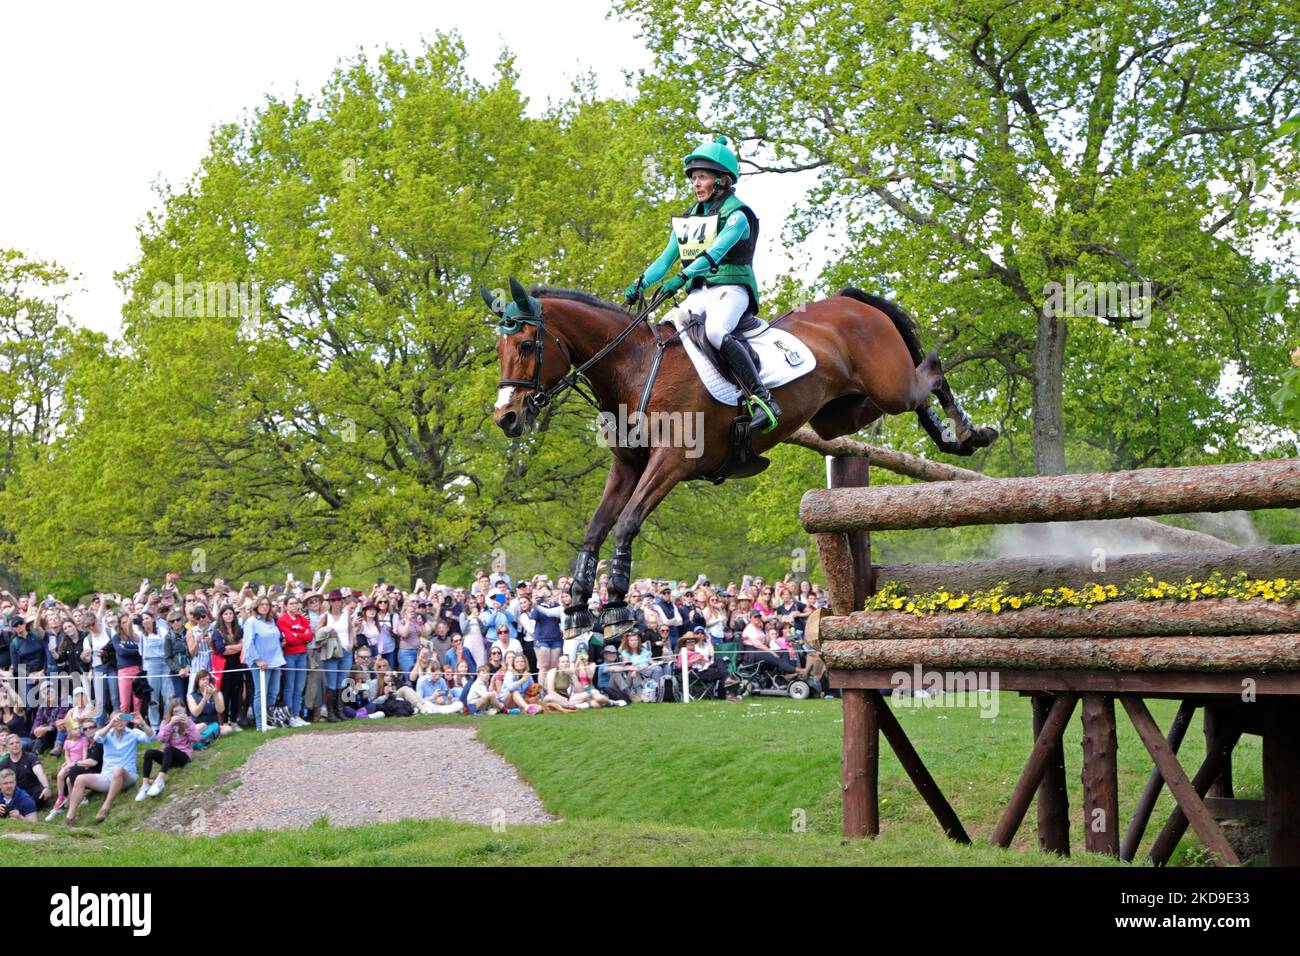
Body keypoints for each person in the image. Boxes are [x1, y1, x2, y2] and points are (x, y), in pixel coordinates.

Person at [623, 135, 776, 431]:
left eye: (702, 177)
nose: (696, 184)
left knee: (716, 331)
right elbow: (665, 260)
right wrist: (640, 283)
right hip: (700, 292)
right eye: (694, 178)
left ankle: (763, 399)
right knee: (662, 333)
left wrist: (682, 277)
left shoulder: (738, 215)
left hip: (732, 289)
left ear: (721, 181)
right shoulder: (690, 220)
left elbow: (716, 252)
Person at [65, 710, 154, 824]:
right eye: (116, 720)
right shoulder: (106, 734)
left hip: (127, 776)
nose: (119, 722)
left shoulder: (134, 733)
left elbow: (150, 737)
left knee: (117, 769)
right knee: (80, 778)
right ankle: (70, 816)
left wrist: (142, 723)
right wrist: (110, 724)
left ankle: (105, 808)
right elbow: (97, 737)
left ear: (127, 721)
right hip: (107, 777)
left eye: (122, 719)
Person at [136, 698, 201, 800]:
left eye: (181, 711)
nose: (178, 714)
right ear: (171, 713)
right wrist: (170, 725)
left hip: (183, 756)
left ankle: (160, 781)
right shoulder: (165, 723)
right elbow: (161, 739)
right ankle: (145, 785)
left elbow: (197, 739)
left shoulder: (189, 721)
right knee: (149, 752)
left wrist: (187, 725)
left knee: (169, 749)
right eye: (175, 712)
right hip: (168, 757)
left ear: (184, 711)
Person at [242, 596, 285, 731]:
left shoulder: (271, 621)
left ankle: (269, 720)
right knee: (261, 693)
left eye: (267, 604)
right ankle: (261, 724)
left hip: (275, 661)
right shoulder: (251, 621)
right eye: (262, 604)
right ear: (256, 606)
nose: (265, 607)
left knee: (273, 692)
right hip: (260, 663)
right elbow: (248, 643)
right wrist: (258, 660)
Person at [275, 596, 312, 727]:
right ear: (285, 606)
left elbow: (310, 636)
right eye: (291, 604)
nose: (294, 606)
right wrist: (300, 635)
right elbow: (289, 639)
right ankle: (289, 716)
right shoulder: (283, 620)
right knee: (289, 687)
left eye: (296, 603)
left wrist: (297, 634)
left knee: (299, 687)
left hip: (302, 654)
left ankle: (297, 715)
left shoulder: (301, 618)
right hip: (289, 655)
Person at [0, 732, 51, 807]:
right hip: (14, 792)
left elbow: (39, 772)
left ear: (21, 744)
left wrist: (47, 787)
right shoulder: (4, 763)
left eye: (17, 742)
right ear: (7, 747)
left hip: (33, 790)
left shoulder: (31, 757)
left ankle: (15, 807)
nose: (15, 745)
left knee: (41, 793)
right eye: (12, 744)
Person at [188, 669, 236, 739]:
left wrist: (215, 695)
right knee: (201, 726)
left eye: (207, 679)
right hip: (198, 724)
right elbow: (195, 713)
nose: (206, 681)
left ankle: (204, 736)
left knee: (228, 729)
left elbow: (221, 710)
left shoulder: (218, 693)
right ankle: (210, 735)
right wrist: (204, 699)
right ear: (197, 681)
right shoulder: (191, 696)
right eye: (203, 679)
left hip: (213, 725)